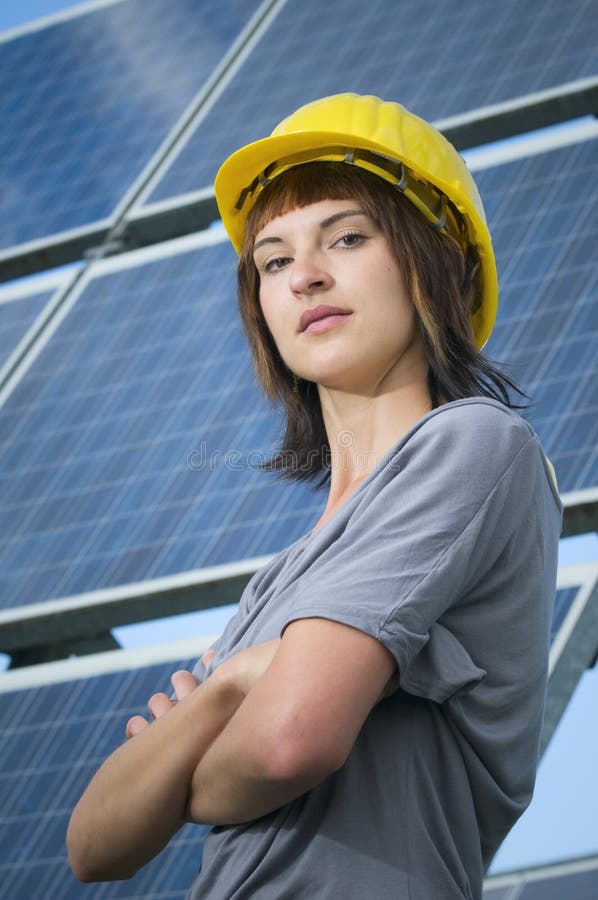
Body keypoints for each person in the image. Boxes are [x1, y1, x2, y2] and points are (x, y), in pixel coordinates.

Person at [67, 93, 562, 899]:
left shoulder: (473, 445)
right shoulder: (281, 579)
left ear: (443, 262)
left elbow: (287, 744)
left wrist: (192, 750)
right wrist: (234, 686)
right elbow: (95, 845)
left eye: (348, 236)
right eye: (273, 260)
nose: (306, 276)